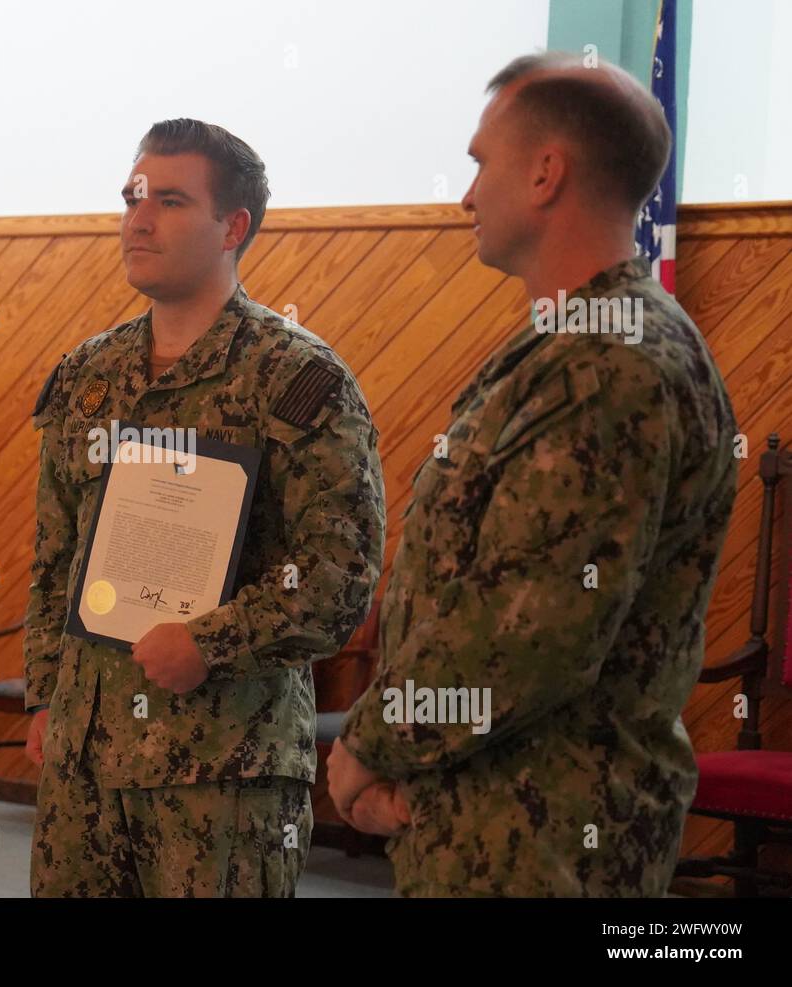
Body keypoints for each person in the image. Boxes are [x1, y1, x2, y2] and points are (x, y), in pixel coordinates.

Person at [328, 52, 740, 897]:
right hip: (490, 817)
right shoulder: (566, 344)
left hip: (545, 839)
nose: (467, 194)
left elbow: (525, 637)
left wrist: (368, 745)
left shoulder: (607, 362)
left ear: (548, 171)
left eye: (481, 162)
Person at [24, 118, 385, 897]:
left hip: (221, 769)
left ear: (234, 226)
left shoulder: (296, 379)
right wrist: (47, 694)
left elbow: (338, 579)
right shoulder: (90, 373)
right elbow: (56, 556)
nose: (139, 218)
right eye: (132, 197)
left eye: (171, 201)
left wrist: (211, 642)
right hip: (84, 762)